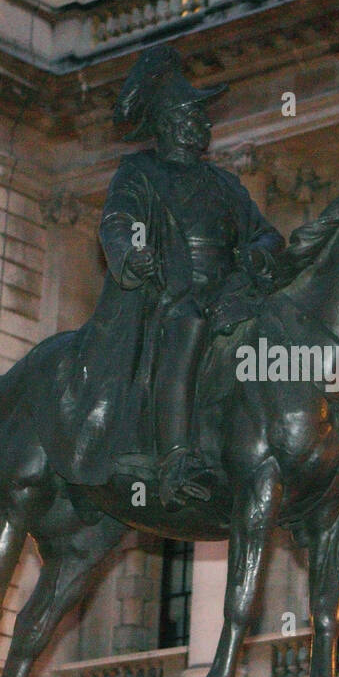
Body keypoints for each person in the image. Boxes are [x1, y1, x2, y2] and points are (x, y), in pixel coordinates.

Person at [96, 45, 299, 508]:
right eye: (194, 116)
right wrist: (132, 254)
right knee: (188, 325)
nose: (204, 125)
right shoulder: (139, 172)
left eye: (202, 118)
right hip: (169, 288)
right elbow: (116, 222)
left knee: (285, 328)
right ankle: (174, 458)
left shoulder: (225, 184)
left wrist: (260, 255)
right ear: (168, 122)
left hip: (231, 289)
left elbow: (266, 234)